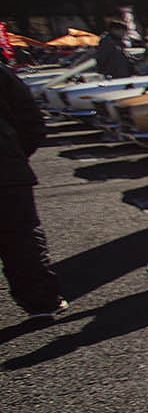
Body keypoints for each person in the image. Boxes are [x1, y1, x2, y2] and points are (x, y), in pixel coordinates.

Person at [1, 60, 65, 323]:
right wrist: (16, 154)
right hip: (7, 168)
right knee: (21, 238)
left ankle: (41, 301)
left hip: (8, 168)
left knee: (22, 238)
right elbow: (31, 119)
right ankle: (41, 302)